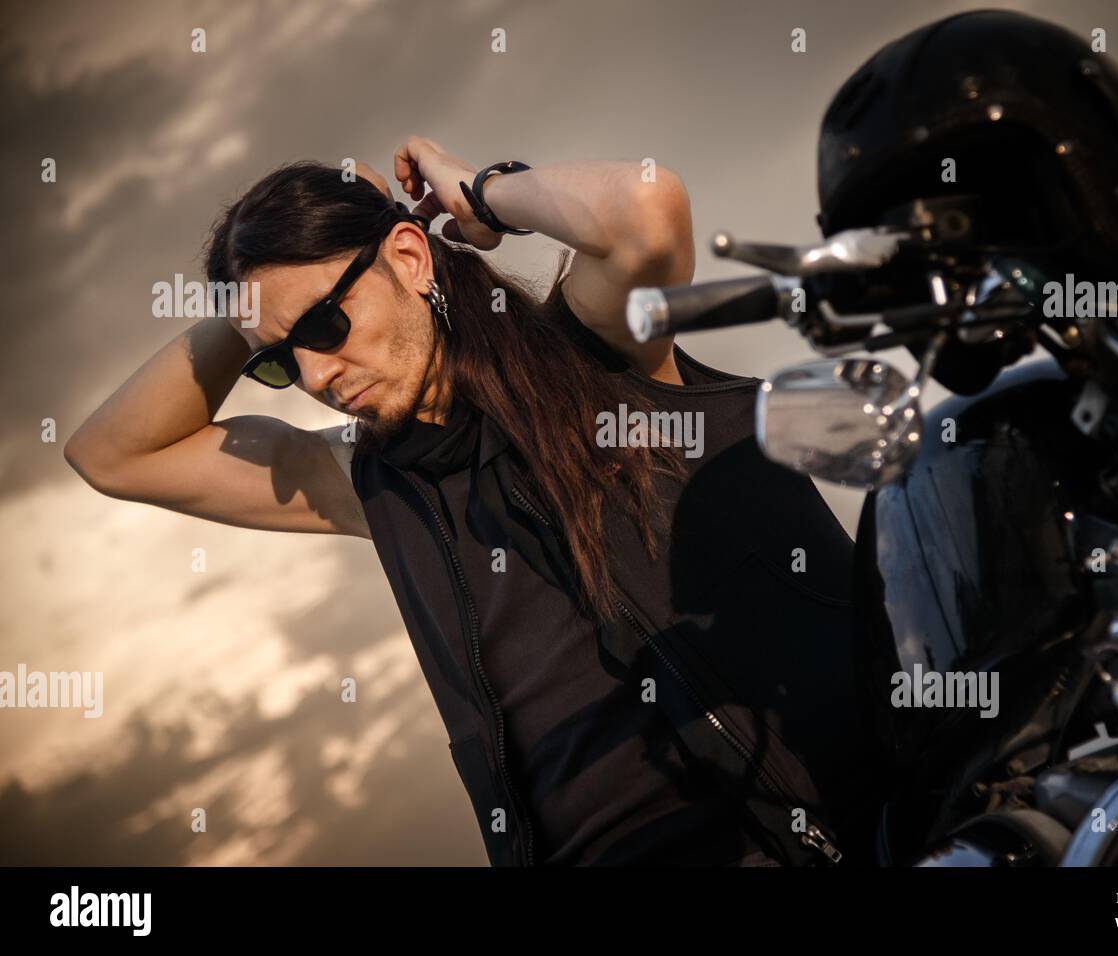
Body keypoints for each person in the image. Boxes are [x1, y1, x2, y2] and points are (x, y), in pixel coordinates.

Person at [64, 139, 877, 866]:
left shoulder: (593, 361)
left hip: (817, 828)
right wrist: (251, 311)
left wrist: (478, 190)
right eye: (281, 362)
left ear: (412, 259)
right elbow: (110, 455)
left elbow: (649, 211)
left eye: (325, 323)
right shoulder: (373, 487)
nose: (313, 379)